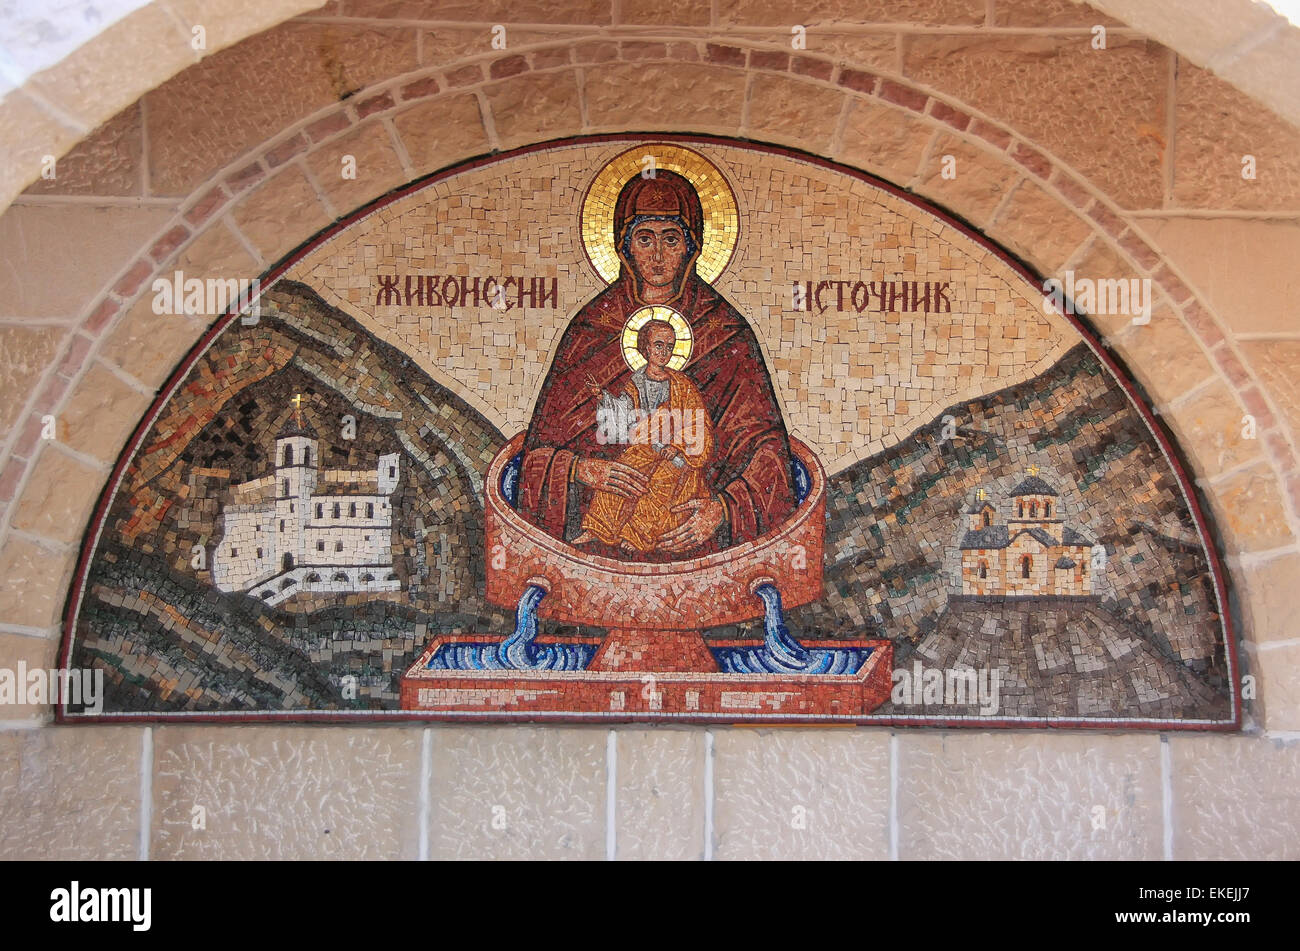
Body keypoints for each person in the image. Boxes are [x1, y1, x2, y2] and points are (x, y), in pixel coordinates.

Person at [518, 169, 796, 561]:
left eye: (671, 238)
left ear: (692, 247)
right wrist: (583, 470)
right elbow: (536, 456)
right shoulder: (591, 327)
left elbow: (768, 452)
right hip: (601, 531)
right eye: (644, 239)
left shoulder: (726, 332)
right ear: (624, 247)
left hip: (693, 524)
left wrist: (724, 510)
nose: (658, 254)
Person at [573, 319, 713, 554]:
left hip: (677, 453)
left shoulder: (682, 384)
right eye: (658, 345)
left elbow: (698, 421)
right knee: (624, 471)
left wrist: (678, 445)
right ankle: (599, 527)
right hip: (647, 445)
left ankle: (638, 534)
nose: (664, 352)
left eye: (670, 346)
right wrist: (603, 398)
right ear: (645, 348)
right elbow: (625, 414)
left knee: (660, 481)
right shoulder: (636, 381)